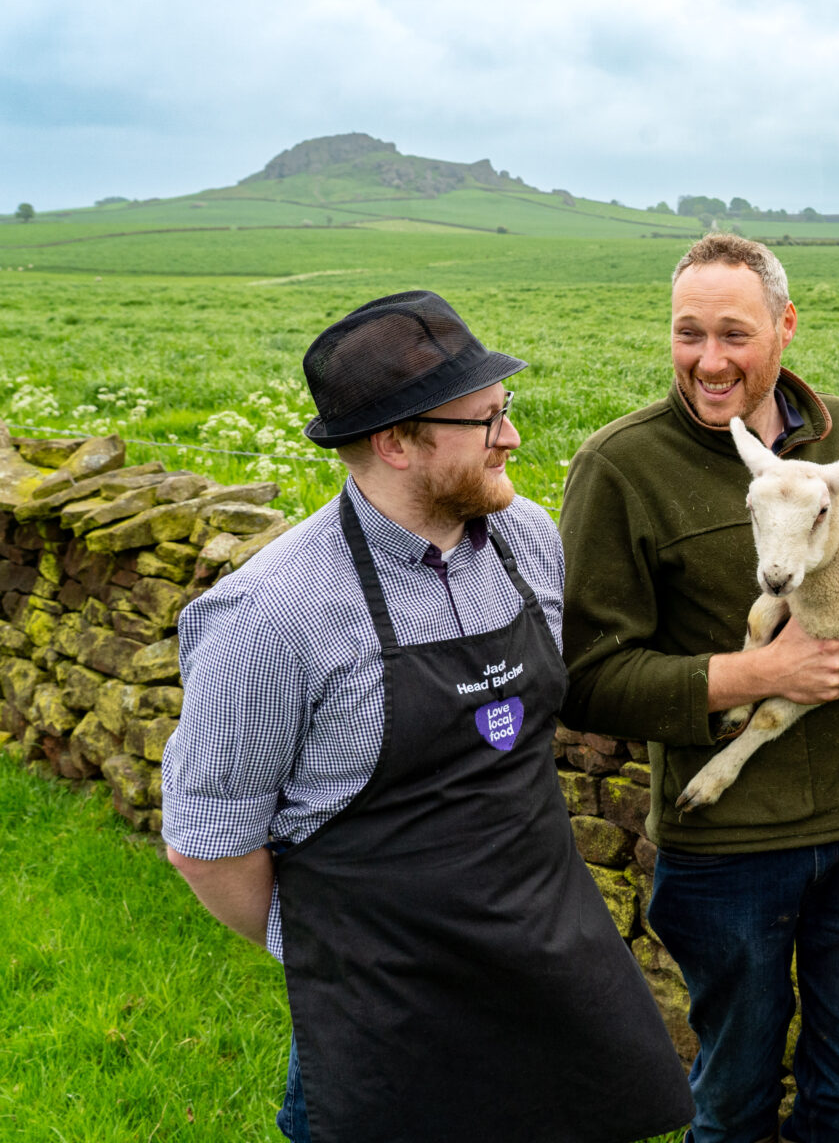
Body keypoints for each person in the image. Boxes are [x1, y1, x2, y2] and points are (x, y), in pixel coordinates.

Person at [161, 290, 691, 1143]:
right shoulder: (271, 616)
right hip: (386, 1015)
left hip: (544, 964)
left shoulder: (526, 539)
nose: (511, 437)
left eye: (505, 409)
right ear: (396, 443)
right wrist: (335, 950)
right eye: (485, 421)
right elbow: (209, 839)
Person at [558, 233, 839, 1143]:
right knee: (733, 1103)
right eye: (688, 333)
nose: (709, 360)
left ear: (785, 326)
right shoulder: (622, 469)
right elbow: (582, 681)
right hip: (731, 848)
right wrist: (755, 674)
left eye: (735, 333)